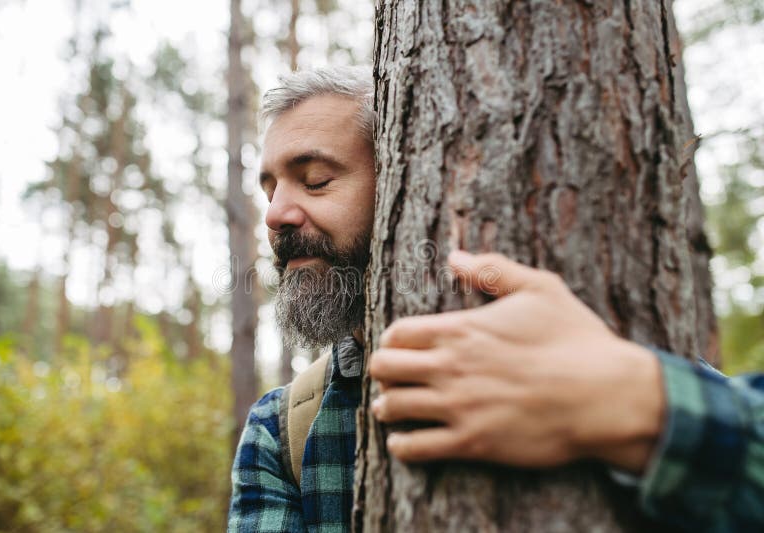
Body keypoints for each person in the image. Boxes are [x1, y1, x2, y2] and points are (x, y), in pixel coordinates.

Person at [227, 66, 764, 533]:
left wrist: (634, 404)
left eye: (316, 180)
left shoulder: (634, 366)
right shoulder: (279, 433)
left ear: (402, 181)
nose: (275, 214)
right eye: (270, 189)